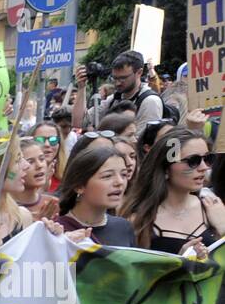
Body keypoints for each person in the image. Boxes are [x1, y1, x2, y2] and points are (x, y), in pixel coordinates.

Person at [122, 127, 225, 262]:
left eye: (208, 158)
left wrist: (223, 228)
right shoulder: (139, 220)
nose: (204, 167)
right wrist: (178, 263)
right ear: (166, 167)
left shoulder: (212, 206)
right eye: (193, 161)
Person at [76, 50, 176, 137]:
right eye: (114, 78)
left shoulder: (150, 102)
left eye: (123, 78)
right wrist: (81, 88)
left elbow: (140, 144)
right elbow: (79, 122)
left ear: (139, 73)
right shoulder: (114, 99)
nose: (118, 83)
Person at [56, 146, 137, 247]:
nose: (120, 182)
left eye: (124, 175)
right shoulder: (56, 230)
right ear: (79, 186)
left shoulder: (124, 227)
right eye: (107, 176)